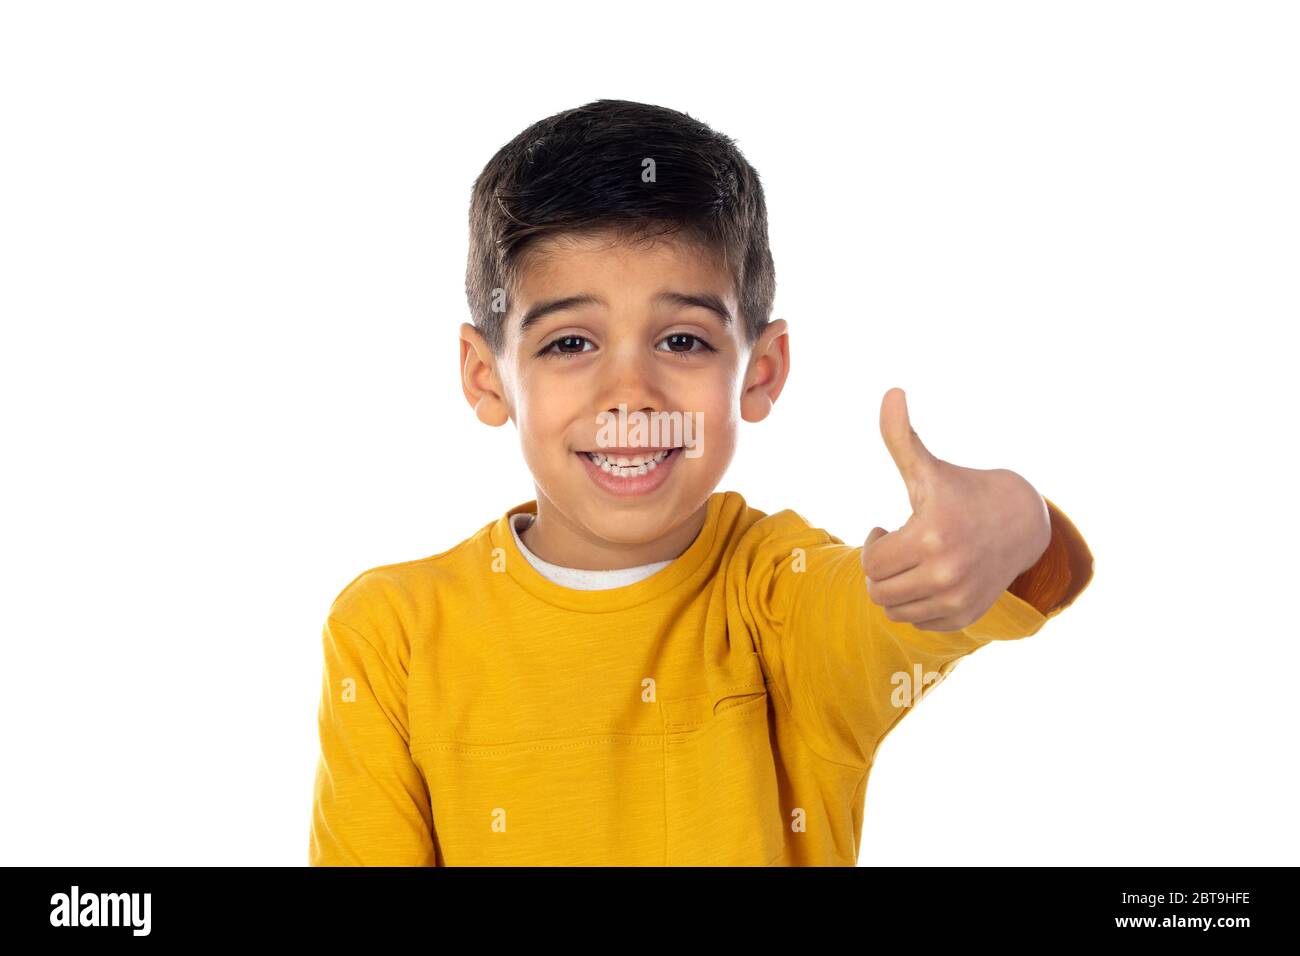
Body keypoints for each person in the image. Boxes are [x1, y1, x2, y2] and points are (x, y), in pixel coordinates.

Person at [308, 99, 1094, 866]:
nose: (629, 393)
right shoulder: (392, 635)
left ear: (763, 371)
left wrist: (1013, 521)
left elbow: (955, 596)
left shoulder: (781, 597)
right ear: (486, 378)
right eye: (569, 342)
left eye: (682, 339)